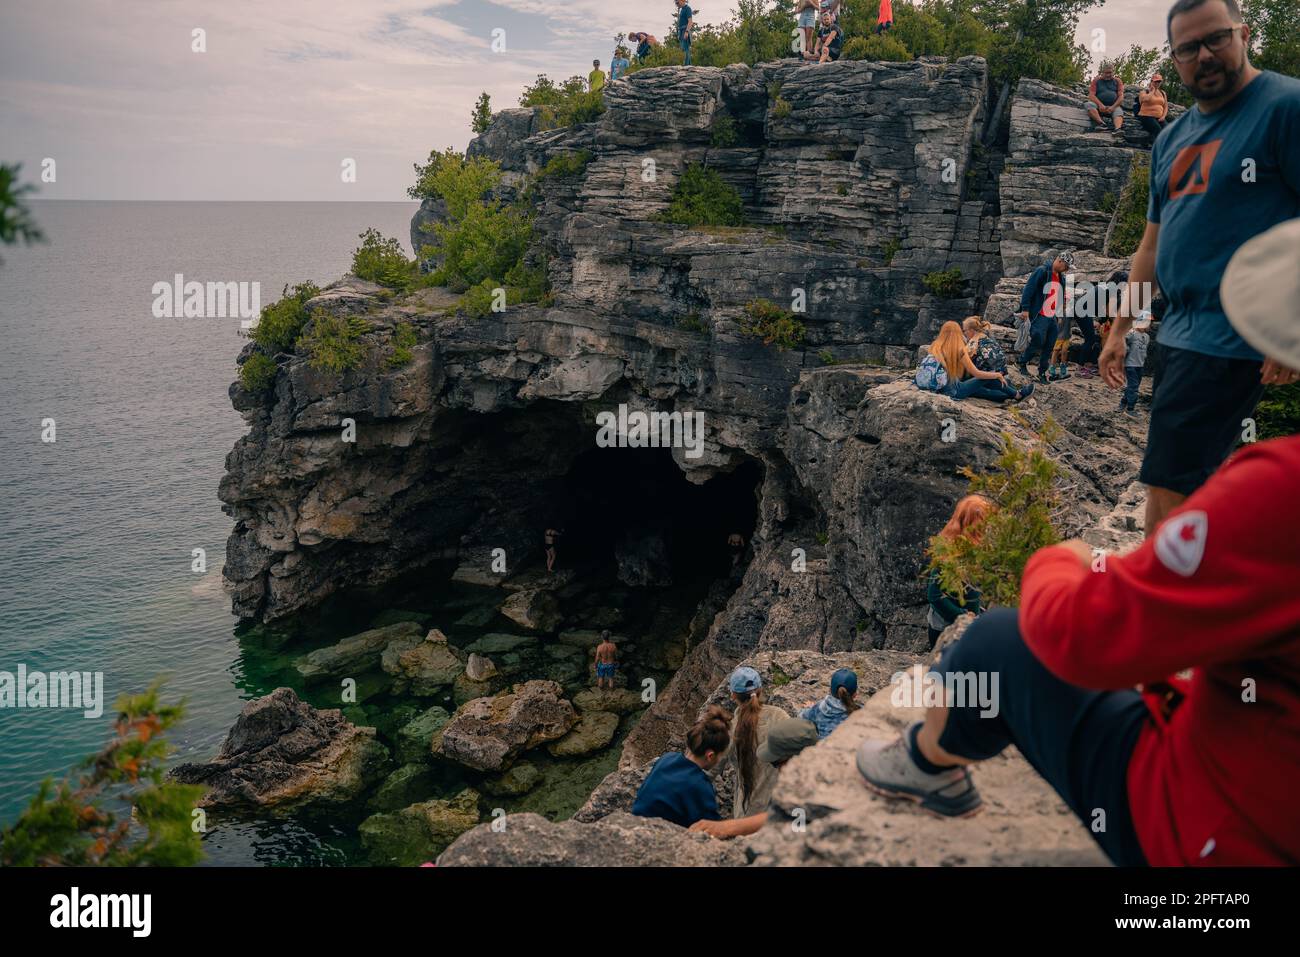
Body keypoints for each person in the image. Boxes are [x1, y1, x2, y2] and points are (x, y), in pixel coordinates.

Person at [856, 218, 1300, 864]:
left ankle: (926, 762)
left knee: (994, 644)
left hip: (1215, 837)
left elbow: (1086, 635)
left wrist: (1053, 558)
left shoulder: (1277, 492)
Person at [1098, 0, 1300, 537]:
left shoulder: (1285, 107)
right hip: (1180, 334)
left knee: (1167, 493)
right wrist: (1121, 327)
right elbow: (1150, 247)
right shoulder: (1172, 137)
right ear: (1174, 59)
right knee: (1194, 486)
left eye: (1215, 39)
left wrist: (1290, 329)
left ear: (1244, 33)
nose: (1204, 56)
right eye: (1188, 48)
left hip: (1231, 334)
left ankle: (1162, 605)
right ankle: (1204, 600)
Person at [689, 718, 818, 839]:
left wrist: (727, 827)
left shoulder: (816, 786)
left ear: (799, 758)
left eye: (776, 763)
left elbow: (796, 821)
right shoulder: (802, 776)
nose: (777, 769)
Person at [631, 706, 731, 828]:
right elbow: (710, 827)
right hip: (659, 835)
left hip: (635, 823)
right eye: (721, 755)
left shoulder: (667, 758)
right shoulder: (700, 785)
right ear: (710, 755)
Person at [724, 666, 791, 821]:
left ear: (733, 695)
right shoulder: (779, 716)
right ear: (760, 690)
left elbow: (711, 767)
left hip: (746, 812)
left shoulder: (731, 728)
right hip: (777, 806)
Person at [926, 495, 991, 648]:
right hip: (946, 628)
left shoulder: (975, 551)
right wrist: (962, 616)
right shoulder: (950, 552)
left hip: (967, 623)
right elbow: (934, 595)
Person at [918, 320, 1031, 403]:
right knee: (988, 377)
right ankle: (1017, 395)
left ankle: (1011, 395)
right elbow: (977, 373)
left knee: (983, 392)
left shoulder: (935, 347)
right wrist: (996, 374)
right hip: (955, 391)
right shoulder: (958, 350)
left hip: (939, 388)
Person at [1016, 250, 1074, 383]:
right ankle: (1022, 362)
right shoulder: (1042, 271)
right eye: (1066, 266)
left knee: (1050, 344)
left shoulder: (1061, 278)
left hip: (1052, 316)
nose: (1067, 270)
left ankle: (1042, 372)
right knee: (1038, 338)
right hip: (1039, 313)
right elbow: (1029, 289)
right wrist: (1025, 309)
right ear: (1060, 261)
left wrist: (1059, 314)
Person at [800, 668, 859, 738]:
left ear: (830, 690)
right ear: (855, 694)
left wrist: (810, 708)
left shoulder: (820, 708)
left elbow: (801, 716)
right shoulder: (860, 713)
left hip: (822, 746)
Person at [1121, 312, 1152, 415]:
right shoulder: (1132, 333)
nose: (1148, 324)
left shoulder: (1147, 337)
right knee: (1134, 387)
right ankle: (1130, 408)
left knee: (1132, 386)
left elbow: (1144, 350)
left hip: (1140, 365)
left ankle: (1123, 403)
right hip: (1130, 365)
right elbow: (1122, 341)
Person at [1086, 61, 1126, 134]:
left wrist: (1113, 107)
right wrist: (1100, 105)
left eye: (1110, 73)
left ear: (1113, 72)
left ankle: (1118, 129)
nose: (1108, 75)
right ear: (1102, 72)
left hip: (1113, 105)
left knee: (1118, 111)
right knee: (1089, 105)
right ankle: (1102, 124)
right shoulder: (1096, 80)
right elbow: (1091, 95)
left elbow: (1121, 97)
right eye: (1106, 73)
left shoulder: (1117, 81)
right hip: (1098, 105)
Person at [1137, 72, 1171, 140]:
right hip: (1146, 116)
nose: (1157, 83)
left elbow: (1165, 106)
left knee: (1168, 130)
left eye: (1159, 81)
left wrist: (1163, 116)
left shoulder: (1163, 93)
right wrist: (1152, 91)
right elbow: (1145, 99)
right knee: (1157, 129)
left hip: (1159, 117)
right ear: (1151, 81)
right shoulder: (1144, 92)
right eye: (1156, 81)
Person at [675, 0, 694, 66]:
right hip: (681, 31)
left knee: (686, 49)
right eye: (676, 3)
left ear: (682, 1)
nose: (677, 4)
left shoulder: (687, 8)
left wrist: (686, 32)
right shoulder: (682, 10)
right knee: (683, 49)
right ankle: (688, 66)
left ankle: (687, 67)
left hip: (685, 31)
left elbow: (690, 22)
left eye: (677, 2)